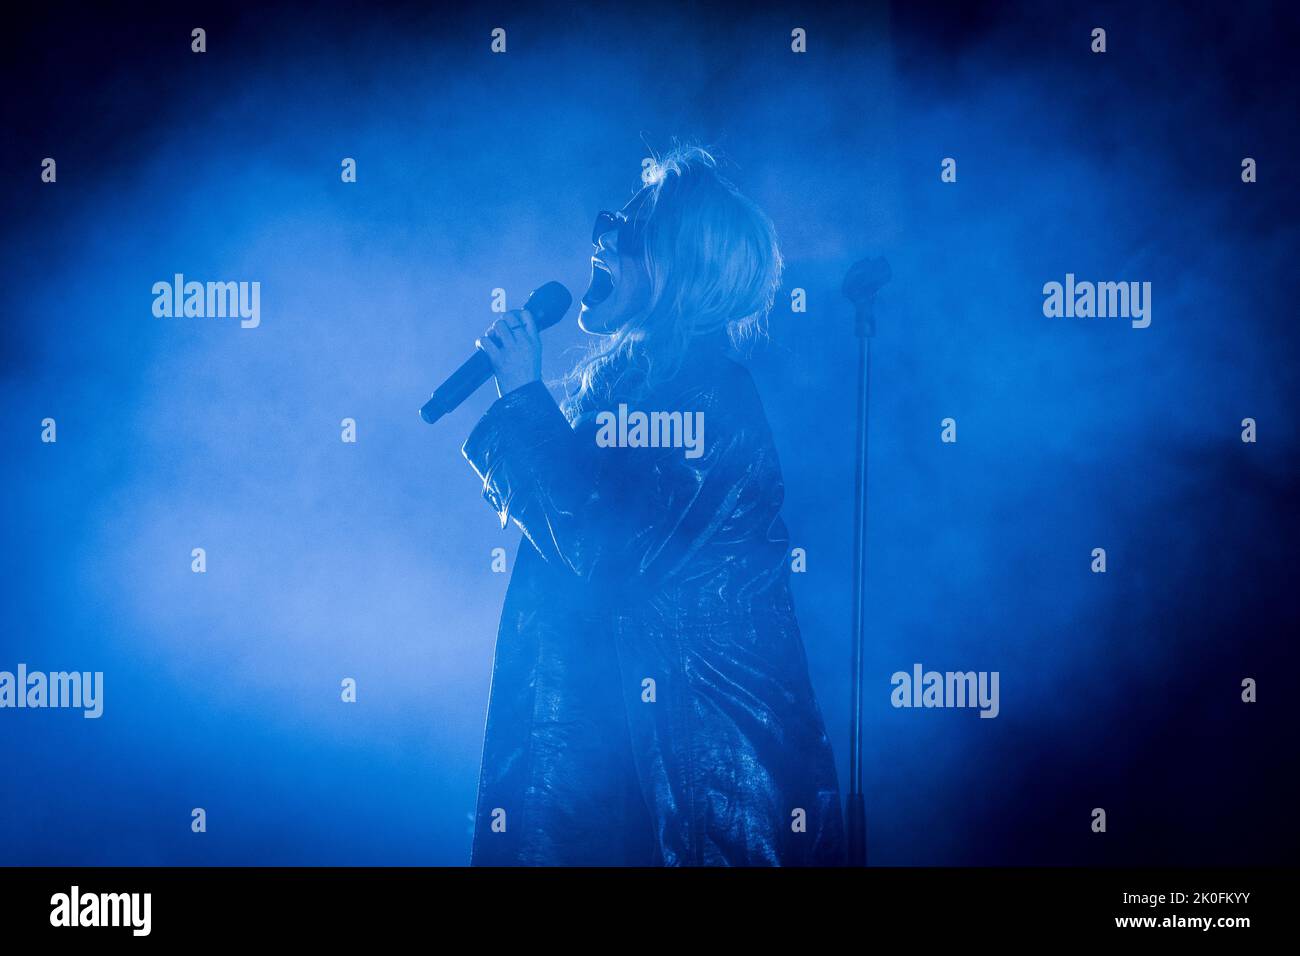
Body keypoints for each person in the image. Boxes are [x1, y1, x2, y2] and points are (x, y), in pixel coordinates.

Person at [463, 146, 844, 865]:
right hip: (614, 771)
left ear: (680, 274)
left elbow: (605, 553)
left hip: (696, 781)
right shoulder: (618, 393)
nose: (601, 238)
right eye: (608, 220)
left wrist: (521, 401)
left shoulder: (709, 398)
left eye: (629, 234)